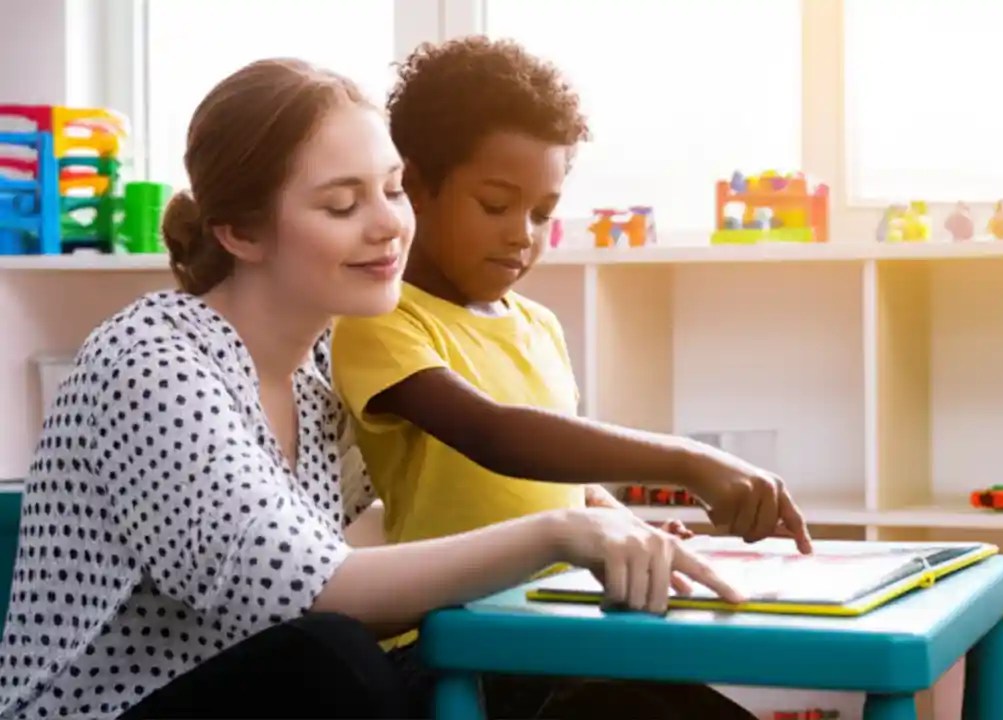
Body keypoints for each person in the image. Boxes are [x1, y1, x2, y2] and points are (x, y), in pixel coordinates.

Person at [0, 58, 745, 720]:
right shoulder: (152, 363)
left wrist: (590, 512)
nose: (390, 225)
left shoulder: (322, 366)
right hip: (130, 705)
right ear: (239, 232)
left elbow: (396, 527)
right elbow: (316, 587)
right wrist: (560, 534)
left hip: (271, 690)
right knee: (332, 655)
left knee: (595, 689)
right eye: (341, 204)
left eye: (392, 191)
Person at [330, 37, 812, 718]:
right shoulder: (382, 321)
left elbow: (559, 483)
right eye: (496, 205)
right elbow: (496, 437)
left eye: (542, 212)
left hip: (560, 631)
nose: (522, 234)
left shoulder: (537, 325)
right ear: (413, 187)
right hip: (455, 653)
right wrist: (690, 460)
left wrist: (630, 528)